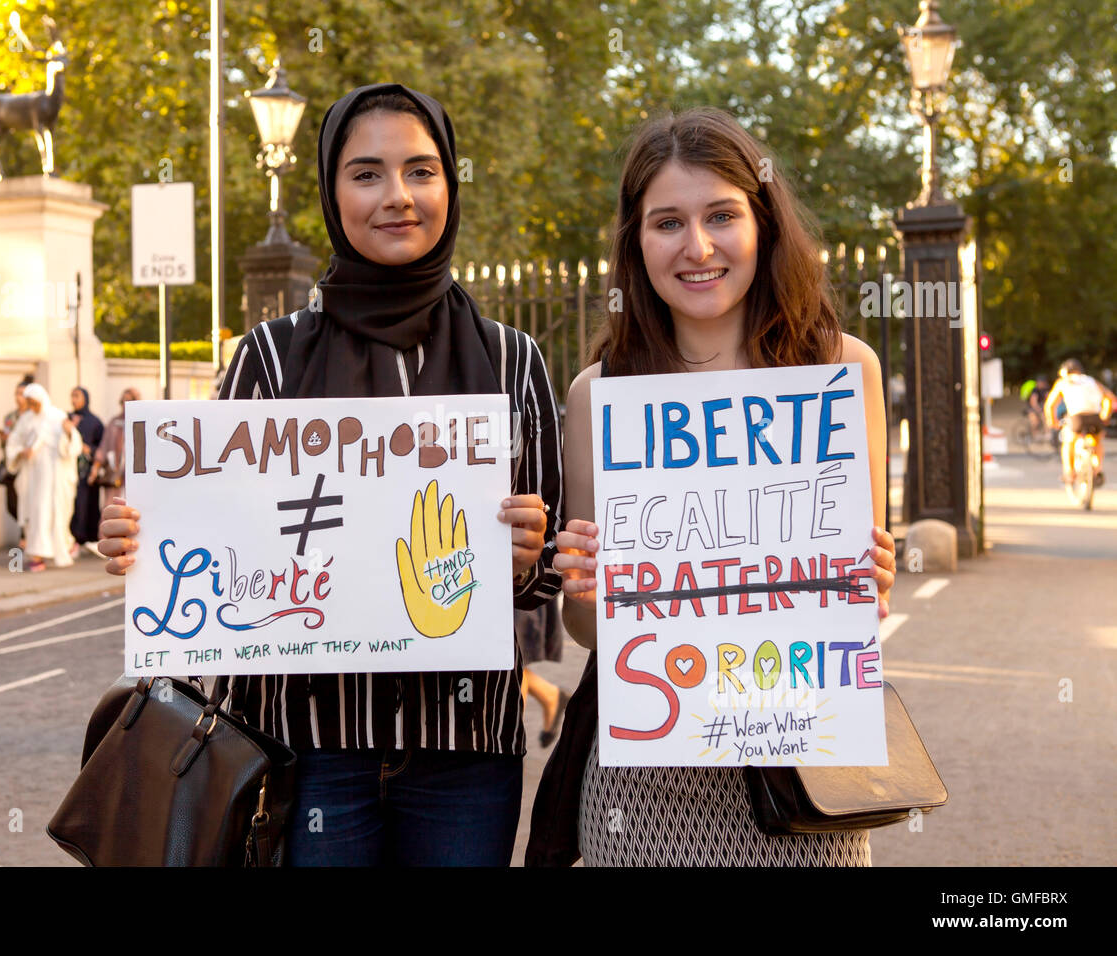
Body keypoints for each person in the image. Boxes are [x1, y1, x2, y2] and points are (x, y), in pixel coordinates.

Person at [98, 83, 564, 866]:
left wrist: (528, 558)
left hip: (465, 755)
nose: (398, 197)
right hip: (307, 754)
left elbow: (553, 576)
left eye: (421, 171)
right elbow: (212, 552)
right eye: (367, 174)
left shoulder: (515, 361)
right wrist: (139, 544)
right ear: (330, 189)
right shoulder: (269, 358)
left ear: (450, 181)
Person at [547, 107, 896, 866]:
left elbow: (854, 601)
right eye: (667, 222)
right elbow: (589, 636)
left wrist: (874, 578)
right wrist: (583, 589)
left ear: (763, 223)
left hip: (805, 779)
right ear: (635, 243)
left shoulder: (841, 375)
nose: (698, 247)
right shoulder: (597, 396)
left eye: (722, 216)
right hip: (642, 789)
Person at [5, 383, 82, 571]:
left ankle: (61, 546)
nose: (33, 407)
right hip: (33, 477)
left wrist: (68, 432)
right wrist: (21, 452)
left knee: (54, 513)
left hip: (55, 477)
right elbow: (13, 442)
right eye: (29, 403)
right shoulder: (26, 419)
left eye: (35, 403)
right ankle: (38, 554)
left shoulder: (57, 417)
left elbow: (72, 447)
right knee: (36, 513)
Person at [1044, 358, 1115, 485]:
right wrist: (1105, 416)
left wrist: (1052, 421)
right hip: (1095, 417)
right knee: (1097, 441)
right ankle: (1097, 469)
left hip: (1076, 417)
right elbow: (1110, 398)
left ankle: (1069, 473)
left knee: (1068, 443)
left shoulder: (1063, 382)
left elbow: (1050, 405)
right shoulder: (1092, 380)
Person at [514, 602, 570, 747]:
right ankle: (550, 695)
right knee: (499, 660)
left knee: (513, 658)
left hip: (516, 591)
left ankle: (511, 742)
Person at [88, 388, 137, 539]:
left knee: (132, 507)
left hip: (134, 473)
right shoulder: (114, 423)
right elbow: (103, 447)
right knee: (111, 506)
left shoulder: (141, 421)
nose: (125, 404)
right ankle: (107, 539)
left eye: (129, 401)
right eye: (123, 401)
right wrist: (95, 469)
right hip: (114, 471)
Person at [67, 386, 104, 556]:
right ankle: (73, 540)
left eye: (77, 396)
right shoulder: (67, 419)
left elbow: (102, 446)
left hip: (87, 473)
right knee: (72, 505)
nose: (74, 400)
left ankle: (88, 539)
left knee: (86, 505)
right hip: (68, 470)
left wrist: (90, 449)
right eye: (72, 396)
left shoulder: (94, 421)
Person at [0, 375, 34, 531]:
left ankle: (25, 535)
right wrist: (5, 440)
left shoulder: (34, 417)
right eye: (17, 394)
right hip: (12, 464)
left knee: (27, 501)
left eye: (22, 394)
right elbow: (5, 444)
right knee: (12, 504)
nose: (19, 398)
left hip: (27, 464)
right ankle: (25, 532)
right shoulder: (10, 417)